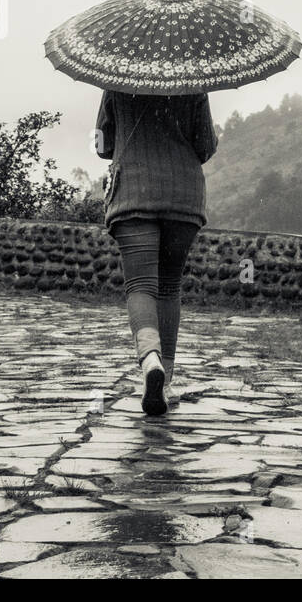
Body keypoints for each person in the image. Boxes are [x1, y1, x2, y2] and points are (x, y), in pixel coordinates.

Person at [96, 89, 217, 415]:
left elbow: (103, 145)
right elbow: (205, 146)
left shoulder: (116, 79)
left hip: (133, 194)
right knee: (168, 286)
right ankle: (166, 380)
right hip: (183, 195)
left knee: (140, 285)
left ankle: (150, 359)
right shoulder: (193, 81)